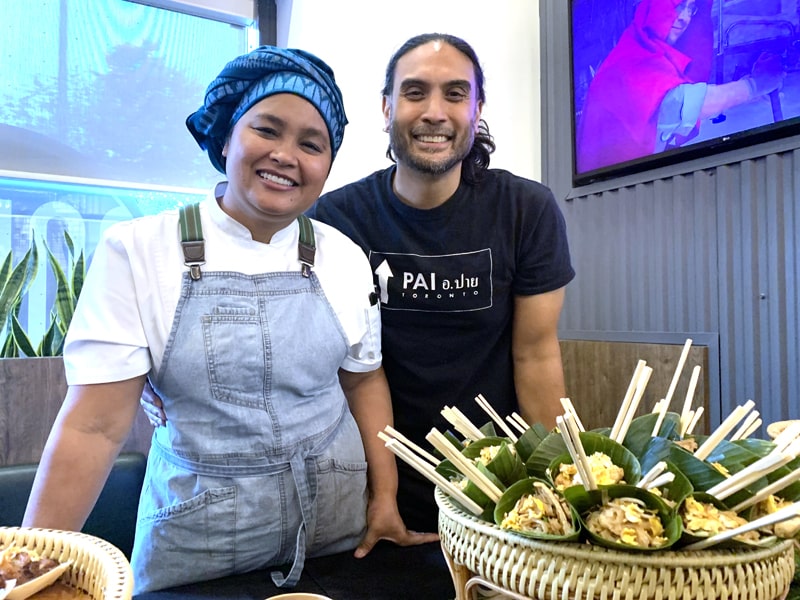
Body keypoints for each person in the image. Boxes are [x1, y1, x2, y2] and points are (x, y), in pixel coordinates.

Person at [22, 45, 434, 595]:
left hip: (337, 541)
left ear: (327, 165)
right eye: (268, 130)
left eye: (311, 144)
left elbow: (363, 380)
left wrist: (384, 499)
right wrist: (30, 567)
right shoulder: (139, 252)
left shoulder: (342, 256)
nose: (287, 155)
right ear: (224, 137)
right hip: (198, 553)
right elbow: (92, 427)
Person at [143, 33, 575, 535]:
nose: (434, 111)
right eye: (415, 92)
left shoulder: (526, 211)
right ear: (387, 108)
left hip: (495, 488)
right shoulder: (335, 219)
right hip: (360, 485)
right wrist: (159, 373)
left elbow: (537, 356)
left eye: (455, 94)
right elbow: (262, 313)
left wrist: (558, 483)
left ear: (477, 109)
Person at [576, 0, 785, 173]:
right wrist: (756, 84)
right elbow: (684, 102)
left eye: (691, 8)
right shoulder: (629, 64)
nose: (685, 17)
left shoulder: (639, 46)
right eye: (677, 6)